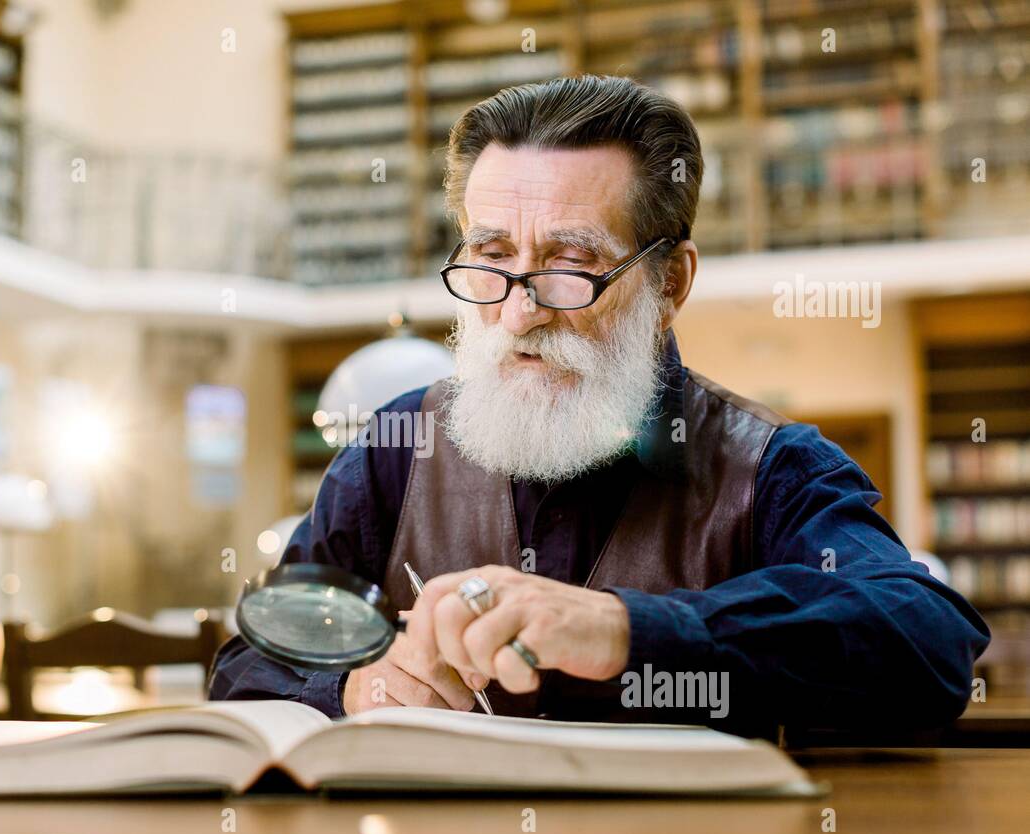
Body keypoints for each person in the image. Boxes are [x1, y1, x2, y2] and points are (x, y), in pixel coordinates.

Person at [210, 74, 988, 736]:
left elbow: (926, 641)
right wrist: (354, 688)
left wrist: (625, 629)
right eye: (490, 259)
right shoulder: (396, 446)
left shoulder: (772, 466)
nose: (520, 312)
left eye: (569, 264)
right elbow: (249, 659)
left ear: (671, 283)